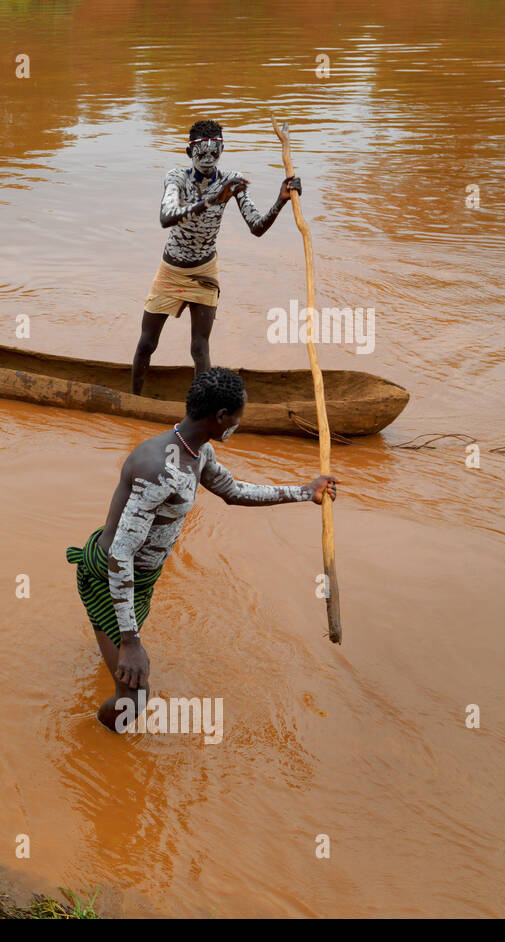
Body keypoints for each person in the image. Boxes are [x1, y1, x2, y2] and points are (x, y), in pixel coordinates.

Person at [66, 367, 338, 731]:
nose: (238, 426)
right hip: (111, 574)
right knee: (135, 697)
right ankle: (89, 742)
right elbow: (120, 555)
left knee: (122, 664)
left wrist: (306, 491)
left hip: (142, 576)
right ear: (221, 417)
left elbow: (234, 491)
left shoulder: (198, 452)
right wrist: (132, 642)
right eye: (238, 418)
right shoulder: (159, 469)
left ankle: (113, 646)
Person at [131, 120, 302, 395]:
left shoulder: (231, 181)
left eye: (215, 151)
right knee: (146, 344)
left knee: (200, 347)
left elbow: (256, 227)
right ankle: (134, 401)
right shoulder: (177, 178)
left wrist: (281, 199)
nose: (209, 159)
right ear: (190, 153)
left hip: (205, 273)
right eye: (202, 152)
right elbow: (166, 218)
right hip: (171, 270)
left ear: (222, 150)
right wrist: (211, 200)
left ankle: (203, 412)